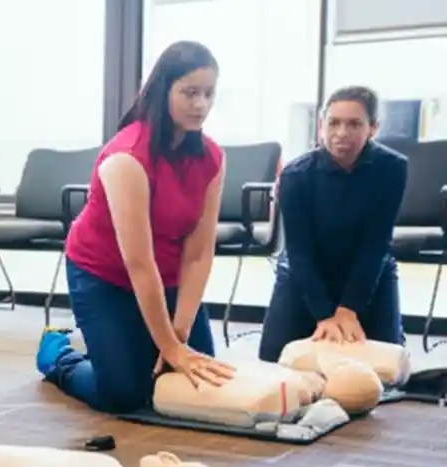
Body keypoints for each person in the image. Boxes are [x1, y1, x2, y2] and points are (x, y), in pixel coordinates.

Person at [36, 40, 237, 414]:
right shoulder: (126, 158)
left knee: (197, 379)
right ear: (164, 90)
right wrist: (171, 348)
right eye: (190, 92)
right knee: (125, 394)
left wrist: (177, 335)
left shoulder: (212, 157)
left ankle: (141, 342)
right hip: (104, 275)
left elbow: (199, 252)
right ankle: (57, 355)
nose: (201, 105)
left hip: (169, 274)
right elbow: (138, 263)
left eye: (209, 94)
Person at [258, 86, 408, 361]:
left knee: (387, 365)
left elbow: (375, 244)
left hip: (367, 269)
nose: (341, 132)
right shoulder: (296, 175)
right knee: (272, 358)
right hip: (305, 270)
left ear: (373, 128)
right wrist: (324, 316)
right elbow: (300, 252)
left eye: (354, 124)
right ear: (321, 126)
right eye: (334, 123)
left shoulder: (392, 168)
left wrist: (349, 309)